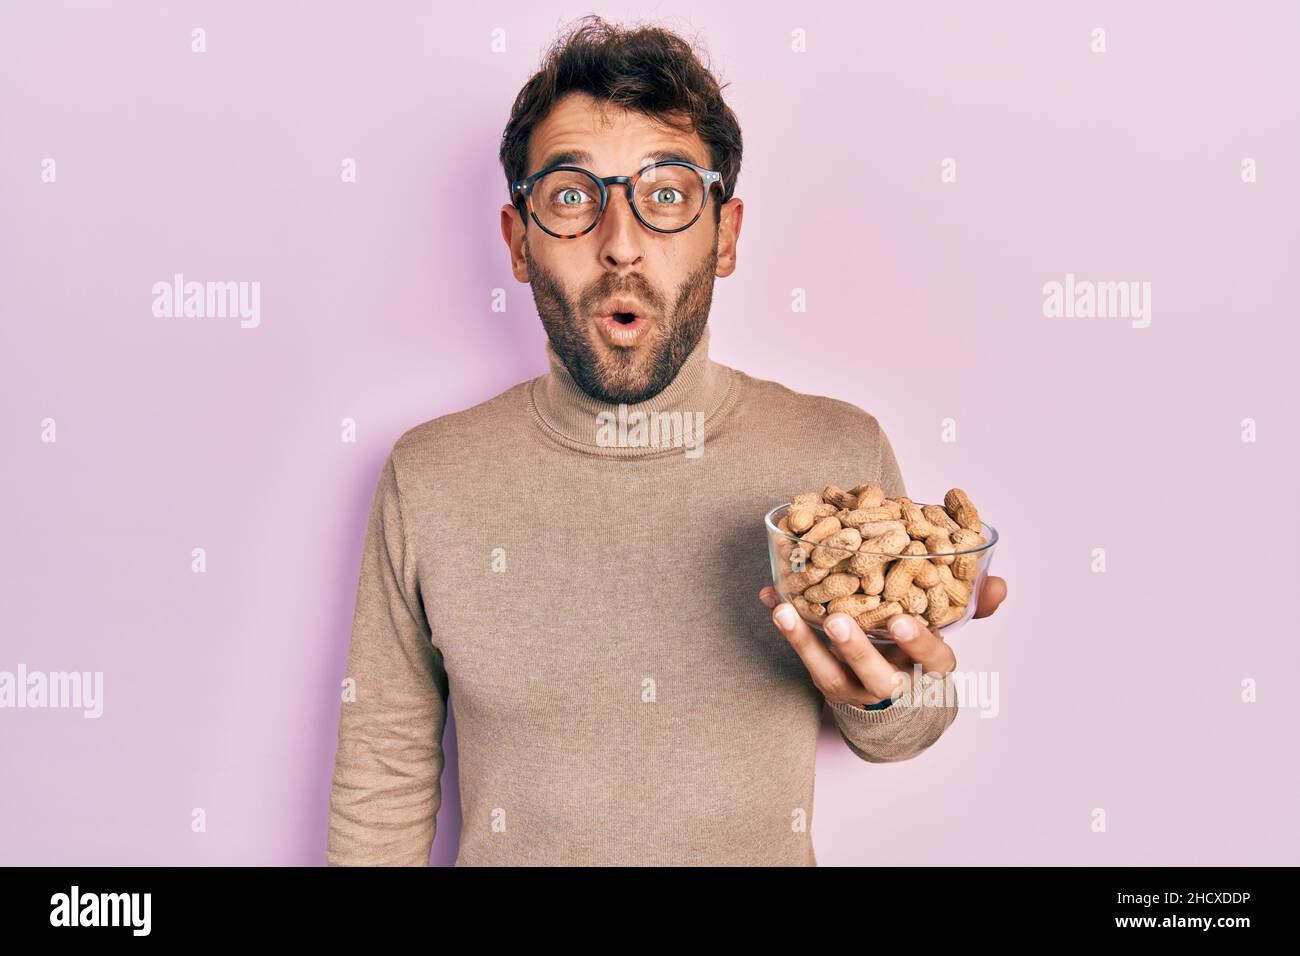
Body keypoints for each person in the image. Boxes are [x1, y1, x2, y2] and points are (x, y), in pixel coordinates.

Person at [327, 14, 1007, 867]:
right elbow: (382, 776)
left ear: (724, 236)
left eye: (669, 194)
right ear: (519, 242)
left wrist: (889, 696)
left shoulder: (834, 454)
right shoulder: (429, 475)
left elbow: (903, 729)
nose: (620, 246)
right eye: (572, 198)